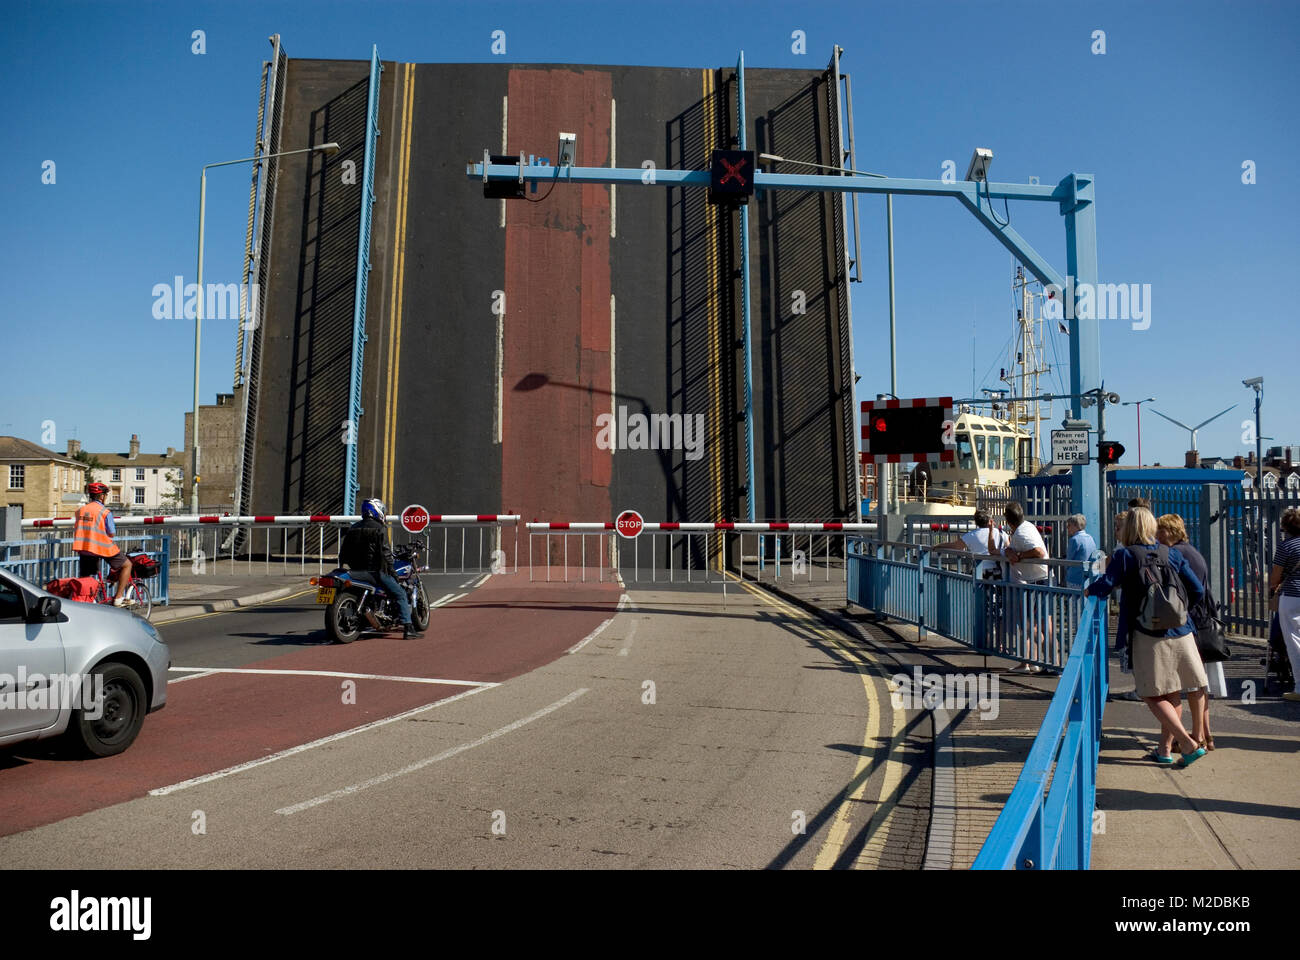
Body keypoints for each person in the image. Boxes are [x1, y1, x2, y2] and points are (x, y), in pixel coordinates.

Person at [1087, 507, 1208, 766]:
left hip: (1147, 634)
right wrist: (1179, 611)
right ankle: (1164, 749)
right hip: (1181, 631)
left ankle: (1186, 742)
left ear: (1129, 528)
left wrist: (1088, 591)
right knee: (1172, 691)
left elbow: (1106, 585)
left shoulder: (1125, 556)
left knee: (1150, 693)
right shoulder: (1171, 553)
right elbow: (1197, 590)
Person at [1157, 513, 1222, 749]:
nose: (1156, 535)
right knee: (1198, 681)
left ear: (1171, 532)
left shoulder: (1179, 554)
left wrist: (1181, 612)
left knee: (1191, 683)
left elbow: (1192, 590)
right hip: (1200, 619)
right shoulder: (1191, 551)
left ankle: (1196, 736)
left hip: (1190, 623)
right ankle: (1205, 734)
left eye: (1160, 530)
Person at [339, 498, 421, 638]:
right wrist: (393, 573)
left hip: (355, 572)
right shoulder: (379, 528)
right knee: (400, 594)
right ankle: (408, 628)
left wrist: (344, 566)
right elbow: (385, 553)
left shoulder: (353, 528)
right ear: (377, 511)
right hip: (375, 572)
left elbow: (343, 552)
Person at [993, 501, 1051, 672]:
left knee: (1028, 624)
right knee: (1040, 624)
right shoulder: (1025, 528)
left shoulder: (1022, 533)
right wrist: (1012, 551)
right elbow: (1012, 549)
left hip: (1036, 580)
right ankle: (1034, 662)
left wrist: (1018, 554)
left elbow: (1039, 552)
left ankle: (1048, 660)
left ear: (1008, 520)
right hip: (1040, 578)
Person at [72, 482, 133, 606]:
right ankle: (118, 598)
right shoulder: (105, 512)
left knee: (86, 578)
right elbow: (111, 533)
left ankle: (85, 602)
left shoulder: (80, 510)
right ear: (101, 496)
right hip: (102, 547)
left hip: (84, 548)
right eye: (105, 495)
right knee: (127, 565)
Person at [1268, 506, 1300, 703]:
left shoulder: (1286, 546)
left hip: (1292, 596)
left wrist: (1274, 586)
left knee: (1294, 643)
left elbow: (1275, 576)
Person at [933, 509, 1008, 580]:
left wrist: (940, 545)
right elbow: (1009, 547)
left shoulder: (971, 535)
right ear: (990, 520)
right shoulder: (1001, 533)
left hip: (979, 571)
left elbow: (956, 546)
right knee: (999, 593)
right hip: (998, 571)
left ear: (976, 522)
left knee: (979, 593)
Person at [1065, 513, 1098, 589]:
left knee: (1074, 600)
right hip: (1087, 578)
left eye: (1069, 525)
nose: (1067, 527)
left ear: (1076, 526)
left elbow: (1069, 560)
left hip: (1074, 578)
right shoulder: (1090, 538)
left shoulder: (1074, 539)